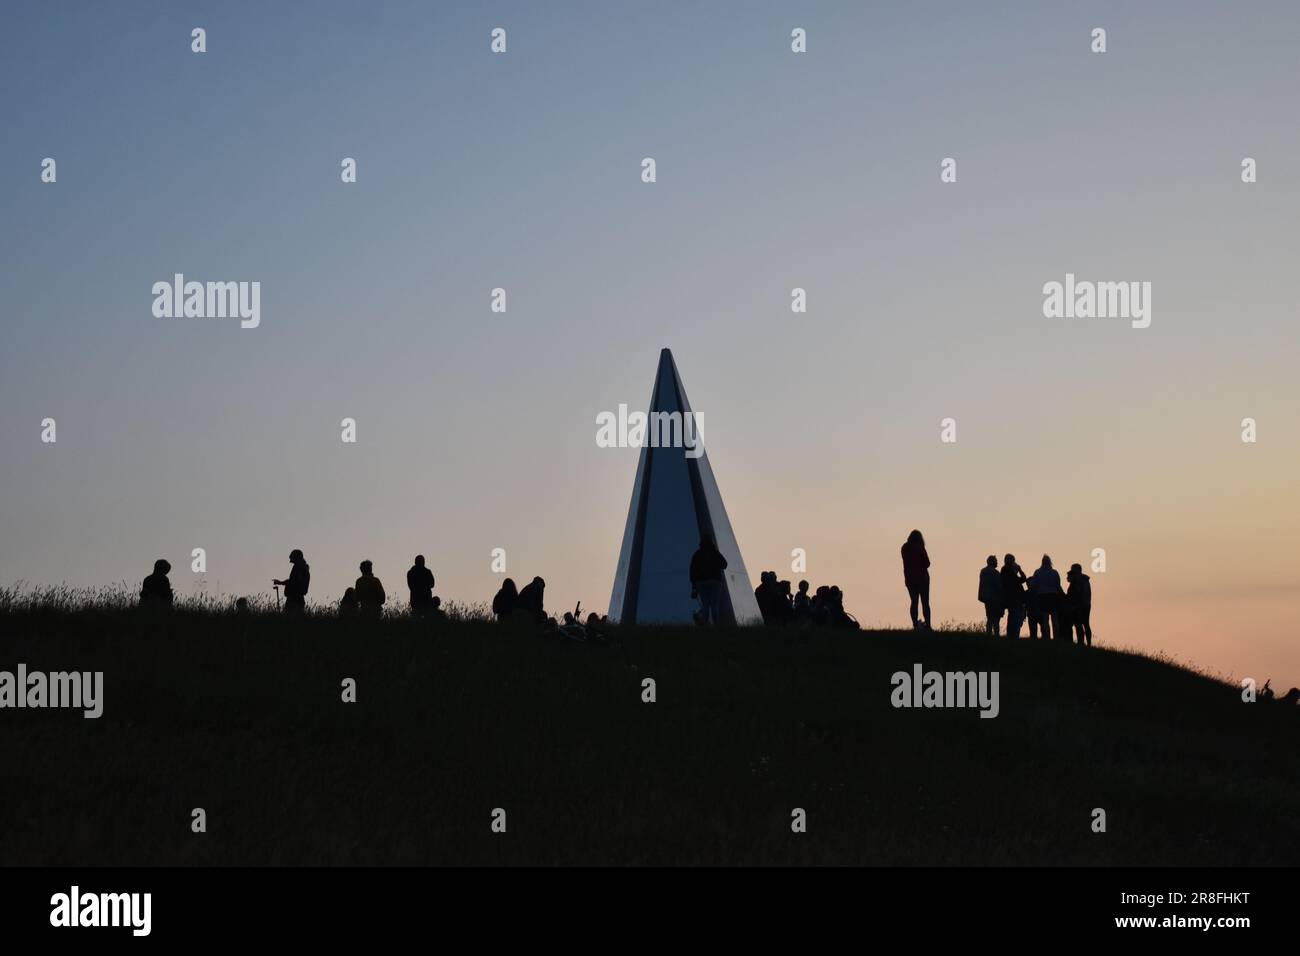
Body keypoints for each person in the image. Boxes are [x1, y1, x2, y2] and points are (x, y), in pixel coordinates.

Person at [689, 534, 729, 625]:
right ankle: (716, 625)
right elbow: (725, 565)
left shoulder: (697, 555)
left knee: (705, 604)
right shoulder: (715, 553)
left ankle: (705, 624)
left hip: (701, 582)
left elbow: (692, 571)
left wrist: (694, 586)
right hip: (715, 581)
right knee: (715, 604)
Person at [901, 530, 931, 631]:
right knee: (925, 603)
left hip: (910, 579)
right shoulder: (920, 547)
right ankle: (928, 625)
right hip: (923, 579)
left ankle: (915, 625)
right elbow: (927, 563)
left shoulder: (904, 548)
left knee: (914, 602)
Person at [1031, 555, 1064, 640]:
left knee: (1045, 619)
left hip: (1042, 597)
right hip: (1054, 596)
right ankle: (1056, 638)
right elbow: (1058, 586)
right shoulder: (1055, 572)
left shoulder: (1037, 572)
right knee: (1055, 618)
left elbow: (1033, 585)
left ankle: (1047, 637)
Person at [273, 549, 310, 615]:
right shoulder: (302, 568)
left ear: (296, 557)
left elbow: (294, 582)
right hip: (297, 598)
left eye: (292, 557)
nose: (290, 560)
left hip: (294, 599)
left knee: (291, 619)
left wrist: (281, 583)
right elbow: (293, 581)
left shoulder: (299, 568)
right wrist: (281, 582)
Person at [1000, 554, 1027, 639]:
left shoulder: (1005, 570)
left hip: (1011, 599)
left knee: (1013, 617)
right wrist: (1019, 570)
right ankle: (1014, 636)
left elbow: (1022, 579)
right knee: (1015, 618)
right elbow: (1022, 579)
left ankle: (1011, 636)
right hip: (1014, 599)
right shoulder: (1008, 571)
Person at [1066, 563, 1093, 646]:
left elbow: (1077, 594)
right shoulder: (1084, 580)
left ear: (1077, 570)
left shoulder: (1078, 581)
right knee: (1085, 624)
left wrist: (1075, 605)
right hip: (1086, 605)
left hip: (1079, 606)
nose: (1072, 572)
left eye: (1073, 570)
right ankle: (1088, 644)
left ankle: (1081, 643)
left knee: (1078, 624)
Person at [978, 555, 1003, 637]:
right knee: (995, 619)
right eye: (996, 561)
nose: (997, 562)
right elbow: (999, 586)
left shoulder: (983, 571)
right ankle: (996, 635)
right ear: (993, 562)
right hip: (995, 599)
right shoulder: (995, 573)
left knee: (989, 617)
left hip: (986, 598)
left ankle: (988, 634)